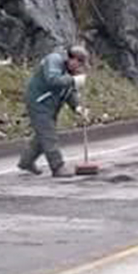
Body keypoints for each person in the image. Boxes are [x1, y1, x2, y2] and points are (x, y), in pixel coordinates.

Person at [18, 45, 91, 177]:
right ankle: (57, 167)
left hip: (51, 105)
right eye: (79, 64)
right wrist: (73, 80)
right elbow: (53, 80)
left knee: (42, 135)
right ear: (73, 59)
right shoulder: (54, 60)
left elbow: (69, 91)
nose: (79, 69)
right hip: (38, 102)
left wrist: (78, 107)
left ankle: (26, 162)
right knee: (49, 135)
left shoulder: (69, 70)